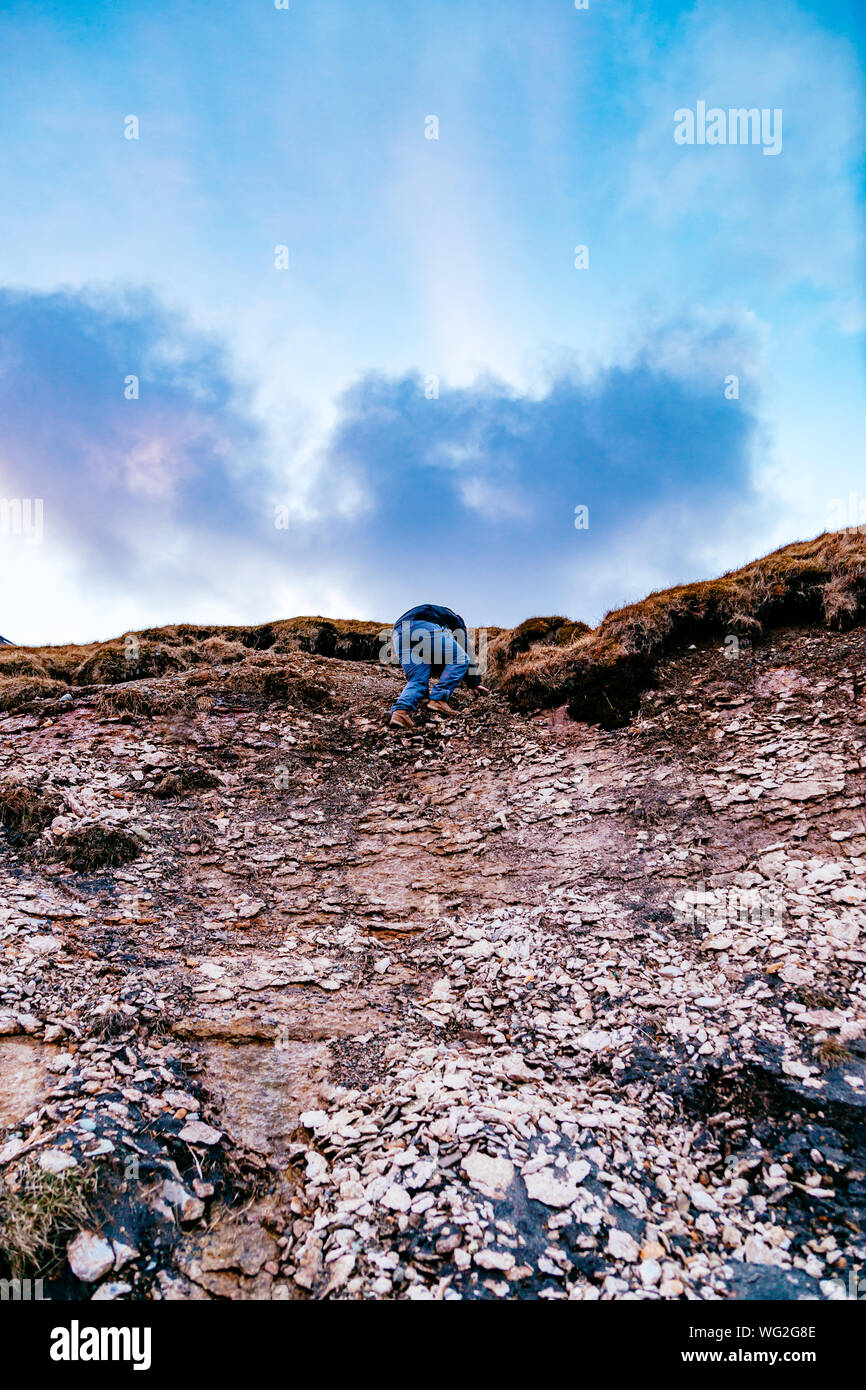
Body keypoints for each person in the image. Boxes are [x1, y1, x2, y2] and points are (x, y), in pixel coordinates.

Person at [389, 603, 490, 729]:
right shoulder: (455, 619)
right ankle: (438, 699)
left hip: (397, 633)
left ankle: (400, 713)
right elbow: (464, 647)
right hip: (423, 626)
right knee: (460, 657)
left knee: (417, 679)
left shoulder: (432, 611)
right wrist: (474, 682)